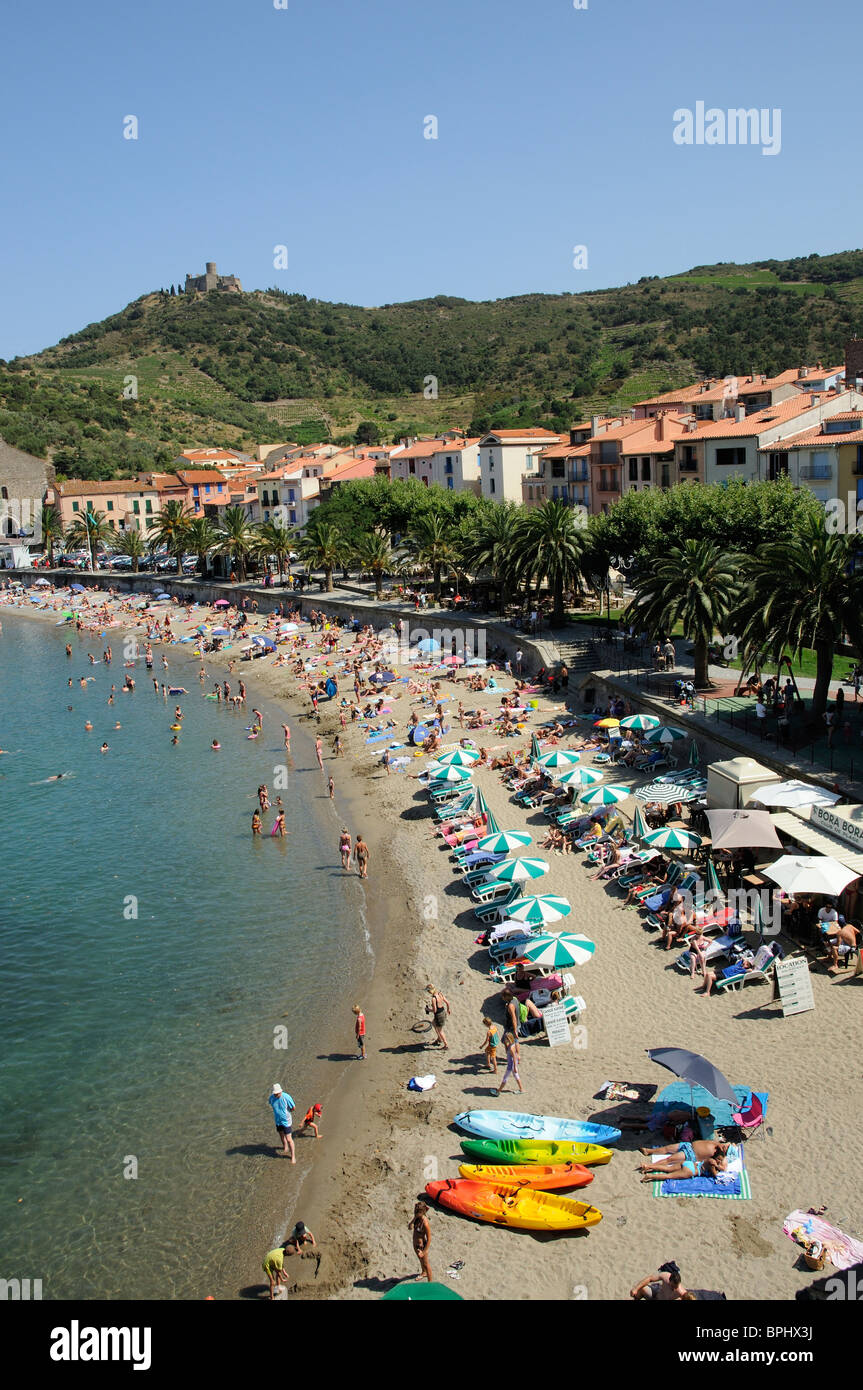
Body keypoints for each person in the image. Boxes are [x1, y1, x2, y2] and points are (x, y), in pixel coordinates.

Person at [639, 1154, 728, 1183]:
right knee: (669, 1176)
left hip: (689, 1164)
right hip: (691, 1171)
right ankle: (649, 1176)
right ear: (717, 1158)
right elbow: (715, 1175)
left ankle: (648, 1166)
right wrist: (718, 1167)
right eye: (720, 1160)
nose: (720, 1162)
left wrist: (718, 1166)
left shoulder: (710, 1159)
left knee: (667, 1168)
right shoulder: (713, 1164)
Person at [268, 1083, 296, 1162]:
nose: (276, 1095)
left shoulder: (286, 1097)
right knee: (281, 1135)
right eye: (275, 1094)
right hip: (278, 1120)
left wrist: (287, 1112)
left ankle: (293, 1156)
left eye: (278, 1093)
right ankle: (285, 1147)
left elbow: (293, 1107)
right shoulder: (271, 1098)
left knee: (289, 1139)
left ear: (281, 1091)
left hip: (286, 1121)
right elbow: (271, 1104)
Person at [409, 1202, 432, 1283]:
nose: (415, 1213)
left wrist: (424, 1252)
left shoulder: (425, 1223)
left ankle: (430, 1283)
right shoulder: (417, 1218)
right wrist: (414, 1219)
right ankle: (423, 1272)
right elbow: (410, 1227)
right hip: (415, 1244)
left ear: (422, 1212)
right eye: (415, 1212)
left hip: (422, 1246)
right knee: (420, 1260)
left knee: (426, 1264)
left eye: (417, 1212)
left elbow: (429, 1239)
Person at [496, 1030, 523, 1095]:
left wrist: (515, 1067)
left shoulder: (511, 1048)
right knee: (516, 1076)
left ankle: (499, 1091)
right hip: (512, 1064)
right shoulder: (513, 1044)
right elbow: (516, 1055)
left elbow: (514, 1056)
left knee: (505, 1077)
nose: (505, 1040)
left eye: (506, 1039)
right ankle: (521, 1089)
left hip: (511, 1065)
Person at [426, 984, 450, 1049]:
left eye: (428, 991)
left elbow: (434, 1010)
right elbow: (448, 1002)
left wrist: (427, 1009)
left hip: (439, 1015)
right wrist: (448, 1010)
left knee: (440, 1031)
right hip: (443, 1012)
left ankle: (446, 1045)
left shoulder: (434, 999)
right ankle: (439, 1038)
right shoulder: (440, 994)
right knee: (433, 1023)